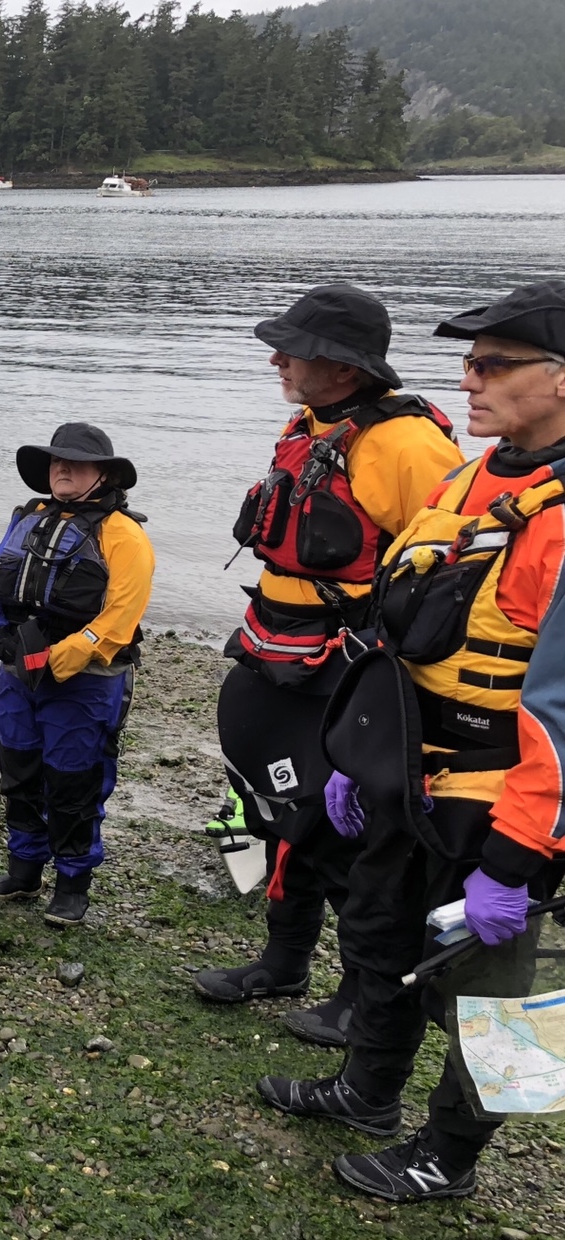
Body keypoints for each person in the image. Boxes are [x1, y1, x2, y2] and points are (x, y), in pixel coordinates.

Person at [259, 280, 564, 1202]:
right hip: (405, 778)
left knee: (506, 1003)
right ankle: (366, 1092)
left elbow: (560, 717)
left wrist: (513, 862)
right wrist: (359, 756)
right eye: (468, 363)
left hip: (500, 800)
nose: (466, 381)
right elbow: (397, 625)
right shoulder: (472, 478)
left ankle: (452, 1157)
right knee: (376, 936)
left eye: (493, 365)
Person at [194, 285, 463, 1046]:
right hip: (274, 644)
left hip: (341, 664)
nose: (276, 358)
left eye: (293, 349)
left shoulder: (408, 446)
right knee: (279, 817)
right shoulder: (316, 422)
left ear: (343, 370)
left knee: (336, 829)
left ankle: (359, 993)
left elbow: (442, 576)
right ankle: (282, 961)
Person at [0, 424, 154, 925]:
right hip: (18, 670)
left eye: (75, 463)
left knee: (74, 781)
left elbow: (119, 621)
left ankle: (73, 882)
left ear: (104, 475)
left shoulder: (124, 535)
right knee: (18, 768)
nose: (62, 469)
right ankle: (23, 870)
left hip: (84, 682)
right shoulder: (28, 520)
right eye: (55, 462)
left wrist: (57, 658)